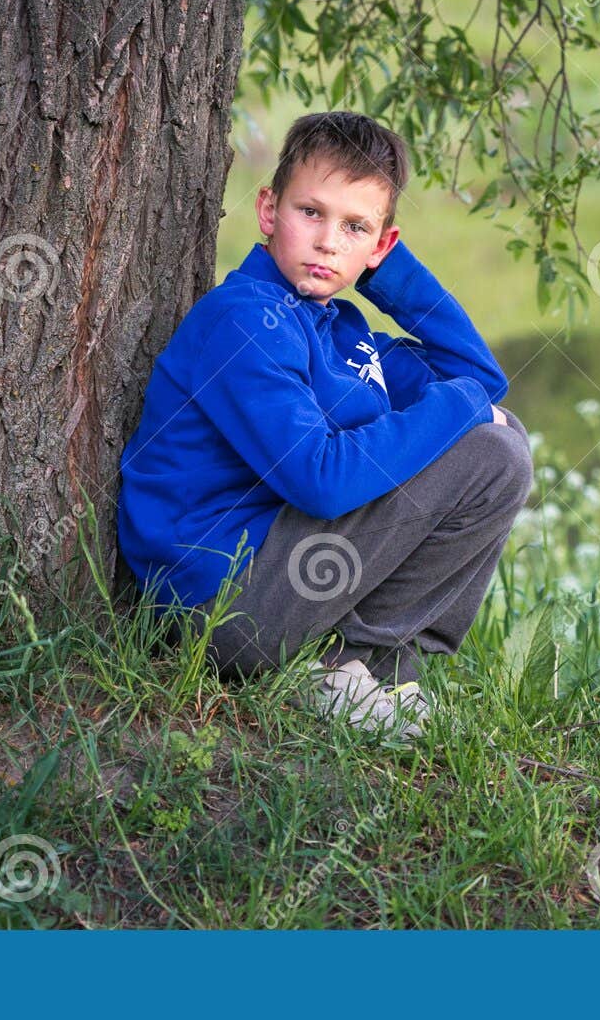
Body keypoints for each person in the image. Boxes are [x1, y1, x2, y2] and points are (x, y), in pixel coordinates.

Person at [117, 111, 533, 739]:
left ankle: (371, 671)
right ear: (268, 212)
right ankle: (340, 667)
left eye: (355, 227)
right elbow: (320, 480)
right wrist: (461, 406)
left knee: (500, 446)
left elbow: (480, 377)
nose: (328, 242)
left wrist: (386, 274)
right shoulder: (242, 320)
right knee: (491, 452)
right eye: (311, 213)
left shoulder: (342, 333)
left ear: (379, 245)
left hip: (281, 577)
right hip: (221, 600)